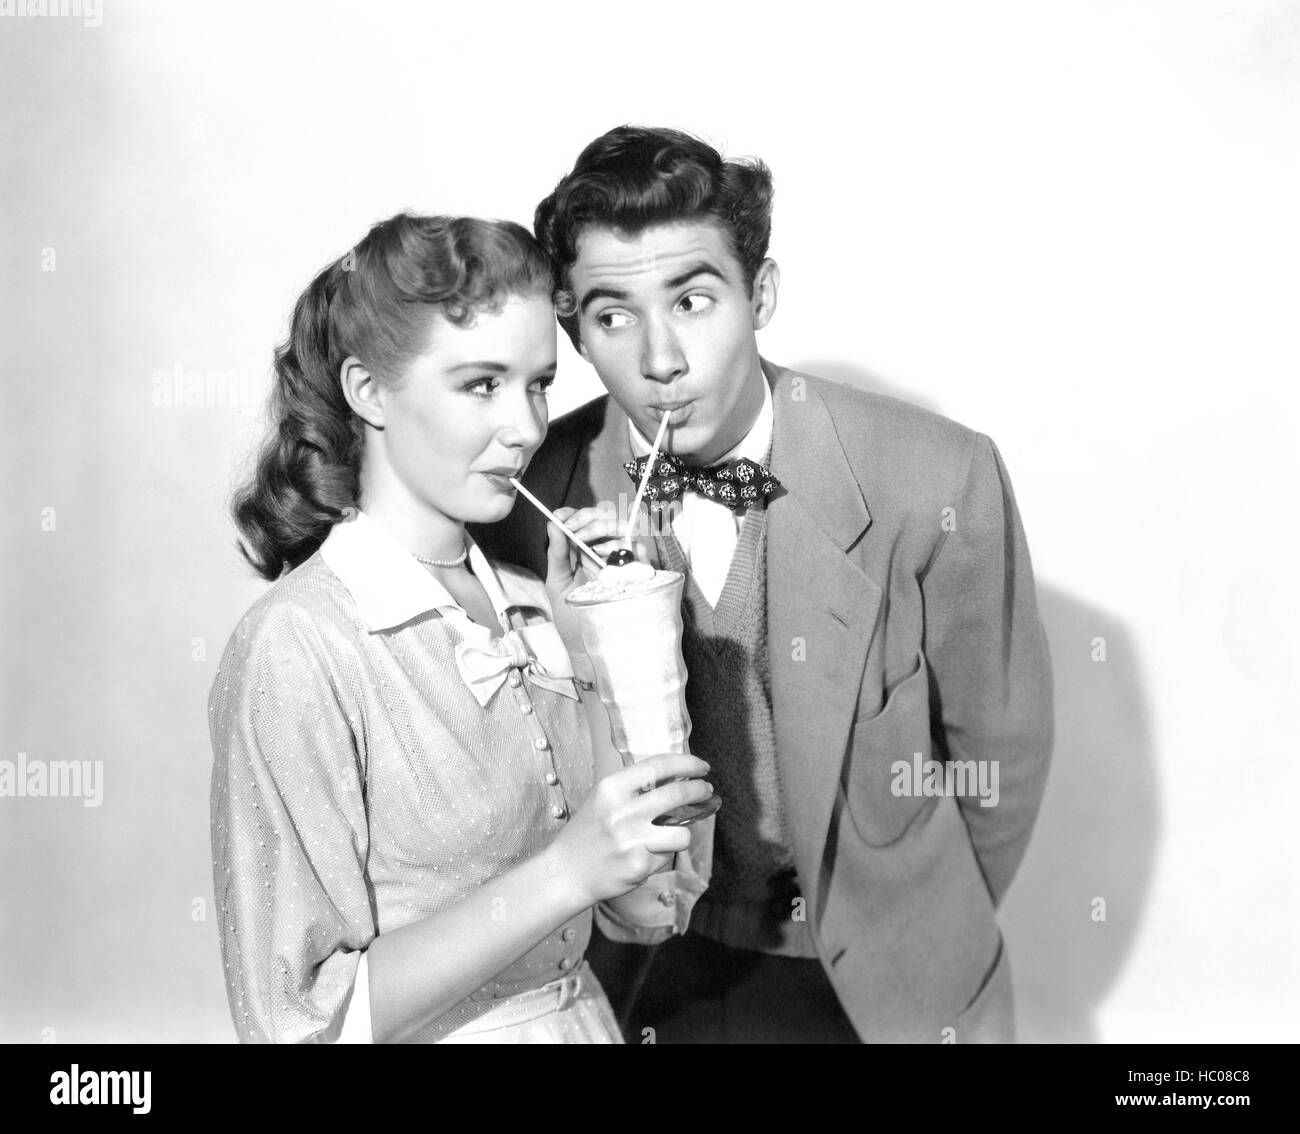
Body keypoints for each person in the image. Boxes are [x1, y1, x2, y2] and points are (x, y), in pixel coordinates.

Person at [470, 127, 1055, 1043]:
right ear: (574, 329)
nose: (661, 358)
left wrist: (913, 915)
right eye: (613, 315)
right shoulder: (529, 492)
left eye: (694, 300)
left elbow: (1000, 756)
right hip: (637, 971)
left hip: (883, 978)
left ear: (761, 295)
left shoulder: (935, 478)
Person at [207, 212, 713, 1044]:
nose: (525, 427)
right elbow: (298, 1022)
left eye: (540, 383)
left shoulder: (533, 604)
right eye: (482, 385)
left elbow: (639, 911)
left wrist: (600, 644)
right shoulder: (299, 644)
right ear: (368, 391)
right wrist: (565, 872)